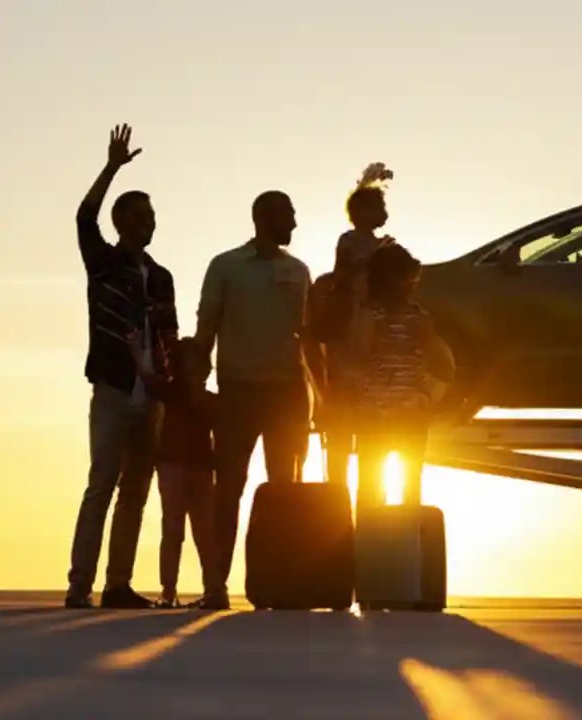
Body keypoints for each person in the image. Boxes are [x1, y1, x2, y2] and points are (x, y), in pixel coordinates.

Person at [65, 124, 178, 610]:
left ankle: (118, 584)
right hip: (112, 387)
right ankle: (79, 585)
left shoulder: (162, 277)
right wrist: (112, 167)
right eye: (140, 214)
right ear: (122, 221)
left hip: (150, 394)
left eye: (151, 213)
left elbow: (169, 337)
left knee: (136, 492)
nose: (149, 221)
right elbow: (83, 216)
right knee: (102, 485)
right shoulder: (105, 264)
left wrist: (169, 384)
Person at [193, 190, 314, 609]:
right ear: (264, 218)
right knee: (227, 491)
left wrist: (319, 398)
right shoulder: (226, 267)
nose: (295, 225)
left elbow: (311, 339)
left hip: (287, 394)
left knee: (285, 493)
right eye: (288, 216)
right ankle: (215, 587)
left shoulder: (299, 271)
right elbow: (206, 325)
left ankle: (278, 582)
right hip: (237, 391)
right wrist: (196, 385)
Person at [344, 243, 455, 510]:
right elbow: (357, 353)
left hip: (410, 415)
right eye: (404, 280)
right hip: (374, 415)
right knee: (370, 487)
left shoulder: (419, 317)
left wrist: (428, 398)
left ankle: (407, 541)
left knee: (410, 487)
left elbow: (445, 364)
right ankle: (371, 542)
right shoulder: (368, 315)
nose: (409, 287)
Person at [309, 163, 397, 487]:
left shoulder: (378, 244)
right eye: (380, 206)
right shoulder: (351, 241)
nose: (385, 211)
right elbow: (342, 276)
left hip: (370, 324)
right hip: (352, 324)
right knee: (345, 411)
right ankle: (337, 488)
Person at [153, 338, 219, 609]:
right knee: (184, 530)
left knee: (190, 530)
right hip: (183, 466)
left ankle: (202, 590)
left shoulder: (196, 399)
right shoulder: (173, 394)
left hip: (191, 467)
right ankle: (183, 590)